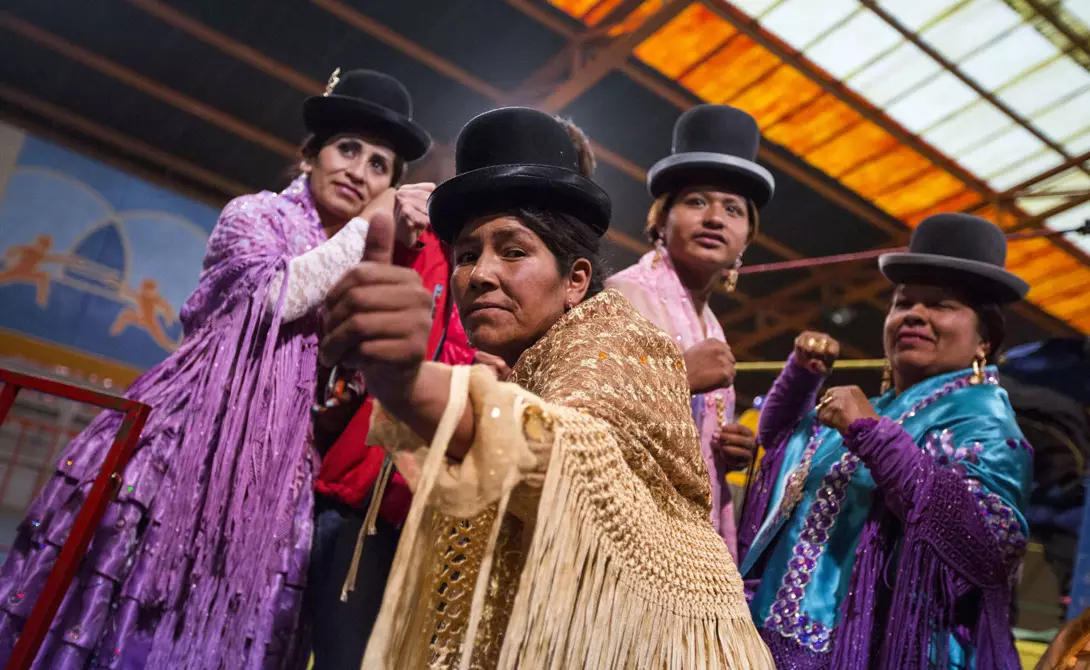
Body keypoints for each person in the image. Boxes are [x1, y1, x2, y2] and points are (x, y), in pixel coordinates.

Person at [0, 68, 431, 669]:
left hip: (278, 475)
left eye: (380, 165)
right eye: (349, 149)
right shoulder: (254, 216)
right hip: (184, 448)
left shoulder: (362, 260)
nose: (360, 171)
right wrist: (369, 226)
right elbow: (272, 297)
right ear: (310, 155)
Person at [319, 107, 773, 668]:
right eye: (465, 255)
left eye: (513, 251)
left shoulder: (621, 334)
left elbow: (574, 457)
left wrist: (408, 383)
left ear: (576, 280)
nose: (480, 274)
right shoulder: (531, 355)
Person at [738, 213, 1033, 668]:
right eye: (903, 302)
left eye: (941, 304)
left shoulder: (987, 424)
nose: (914, 314)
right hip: (771, 645)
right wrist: (801, 380)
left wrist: (872, 436)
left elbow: (984, 548)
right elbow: (780, 451)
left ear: (984, 340)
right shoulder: (885, 407)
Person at [305, 189, 476, 669]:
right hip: (361, 502)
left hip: (448, 525)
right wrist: (399, 228)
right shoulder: (420, 237)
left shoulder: (528, 292)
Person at [607, 104, 772, 560]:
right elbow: (582, 413)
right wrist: (677, 375)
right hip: (629, 538)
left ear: (745, 242)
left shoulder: (712, 325)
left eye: (733, 209)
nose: (715, 218)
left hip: (689, 543)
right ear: (661, 220)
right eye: (697, 201)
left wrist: (730, 450)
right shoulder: (625, 294)